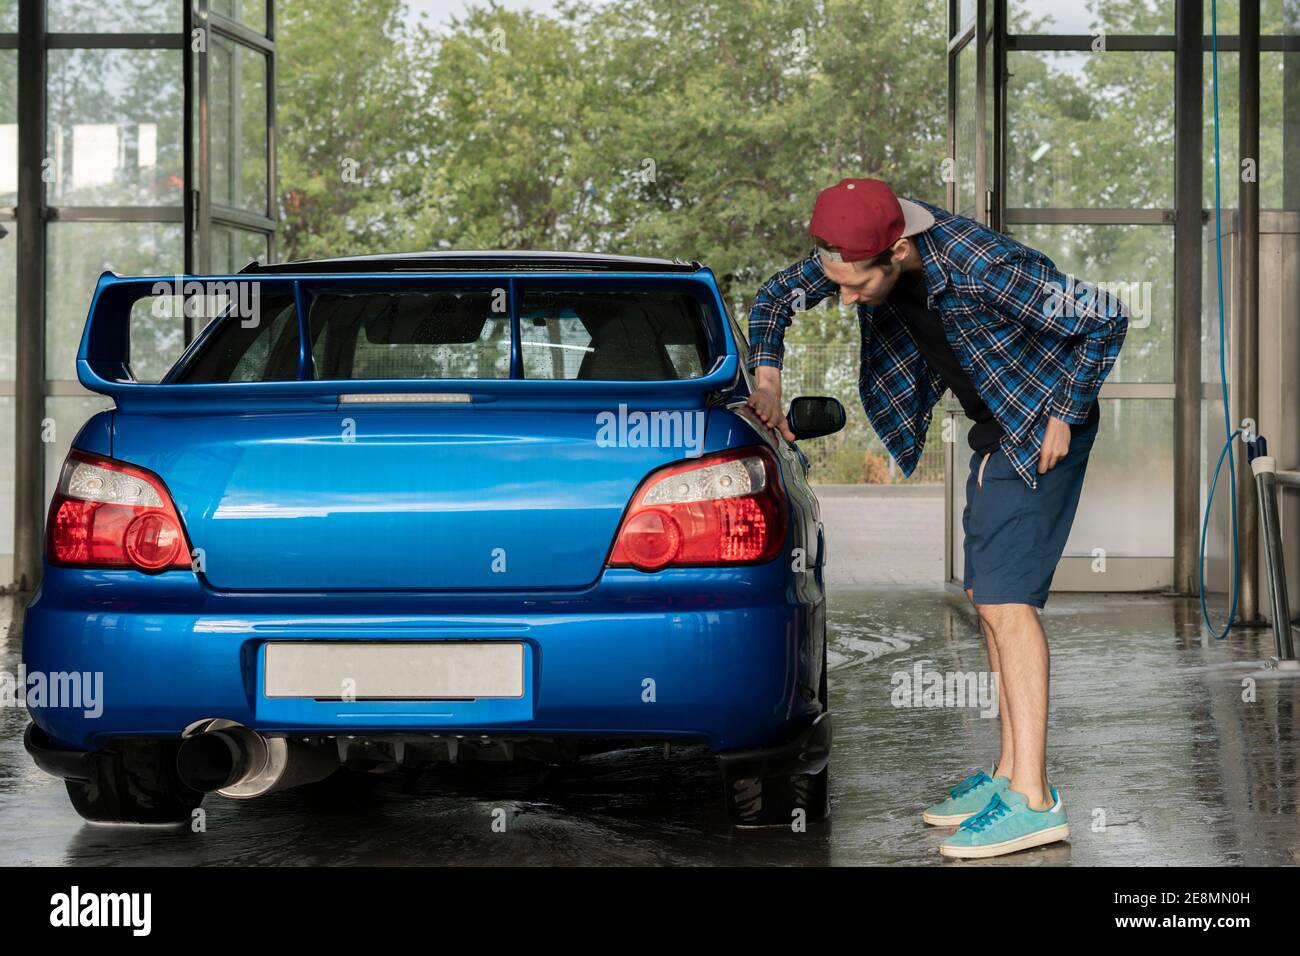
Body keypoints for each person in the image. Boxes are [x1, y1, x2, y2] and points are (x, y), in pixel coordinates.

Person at [745, 178, 1127, 858]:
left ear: (896, 251)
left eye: (856, 286)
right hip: (993, 427)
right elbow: (775, 297)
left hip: (1039, 429)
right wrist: (768, 376)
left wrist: (1066, 414)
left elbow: (1104, 317)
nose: (843, 297)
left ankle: (1035, 801)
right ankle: (1011, 776)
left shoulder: (985, 267)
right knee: (987, 598)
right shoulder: (855, 248)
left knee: (1009, 605)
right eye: (834, 282)